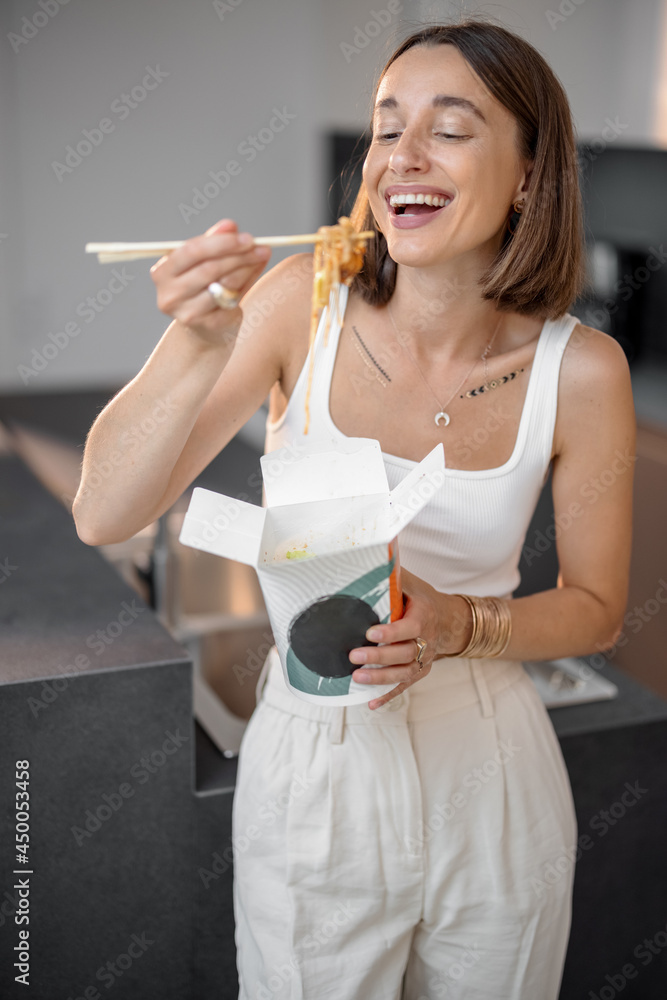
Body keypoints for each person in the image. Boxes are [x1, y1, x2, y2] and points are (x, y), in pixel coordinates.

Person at [73, 19, 635, 1000]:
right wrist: (192, 347)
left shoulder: (582, 371)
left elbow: (595, 605)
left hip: (493, 779)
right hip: (313, 777)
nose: (399, 157)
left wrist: (465, 622)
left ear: (531, 176)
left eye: (449, 129)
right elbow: (105, 512)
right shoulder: (300, 301)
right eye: (385, 128)